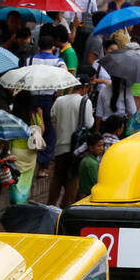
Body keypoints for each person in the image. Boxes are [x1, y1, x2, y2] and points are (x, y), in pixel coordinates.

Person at [48, 76, 95, 209]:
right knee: (72, 180)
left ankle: (50, 207)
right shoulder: (86, 102)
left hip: (60, 147)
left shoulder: (59, 100)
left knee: (57, 178)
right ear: (85, 87)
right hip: (77, 149)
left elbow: (53, 119)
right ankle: (66, 210)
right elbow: (89, 123)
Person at [29, 33, 68, 176]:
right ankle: (43, 167)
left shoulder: (30, 59)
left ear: (38, 47)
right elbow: (64, 72)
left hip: (32, 99)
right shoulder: (57, 61)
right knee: (50, 131)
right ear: (53, 47)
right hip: (49, 100)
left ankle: (31, 160)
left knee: (33, 129)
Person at [78, 134, 105, 200]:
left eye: (102, 146)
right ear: (91, 148)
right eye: (99, 146)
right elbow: (96, 183)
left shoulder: (87, 159)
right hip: (88, 196)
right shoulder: (91, 163)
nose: (102, 148)